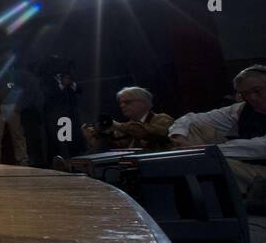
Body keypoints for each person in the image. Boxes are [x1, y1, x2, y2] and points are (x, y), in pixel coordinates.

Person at [168, 65, 266, 201]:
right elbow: (189, 119)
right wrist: (179, 138)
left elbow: (259, 148)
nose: (252, 98)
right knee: (194, 127)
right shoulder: (241, 109)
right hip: (246, 164)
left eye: (257, 91)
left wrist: (203, 150)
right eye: (245, 94)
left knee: (215, 164)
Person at [82, 86, 173, 153]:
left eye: (127, 102)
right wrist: (94, 137)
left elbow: (143, 132)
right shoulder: (124, 128)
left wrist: (114, 124)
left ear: (145, 102)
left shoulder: (162, 119)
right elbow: (108, 152)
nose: (122, 106)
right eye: (120, 103)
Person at [0, 50, 29, 166]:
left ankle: (22, 160)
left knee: (18, 135)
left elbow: (20, 90)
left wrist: (18, 106)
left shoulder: (14, 73)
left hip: (12, 106)